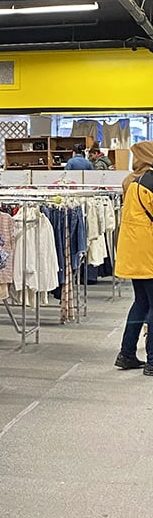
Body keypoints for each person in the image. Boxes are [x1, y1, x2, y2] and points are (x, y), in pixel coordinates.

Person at [114, 141, 153, 373]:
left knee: (141, 303)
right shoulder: (150, 181)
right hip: (149, 252)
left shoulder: (129, 181)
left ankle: (127, 353)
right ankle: (152, 361)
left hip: (132, 252)